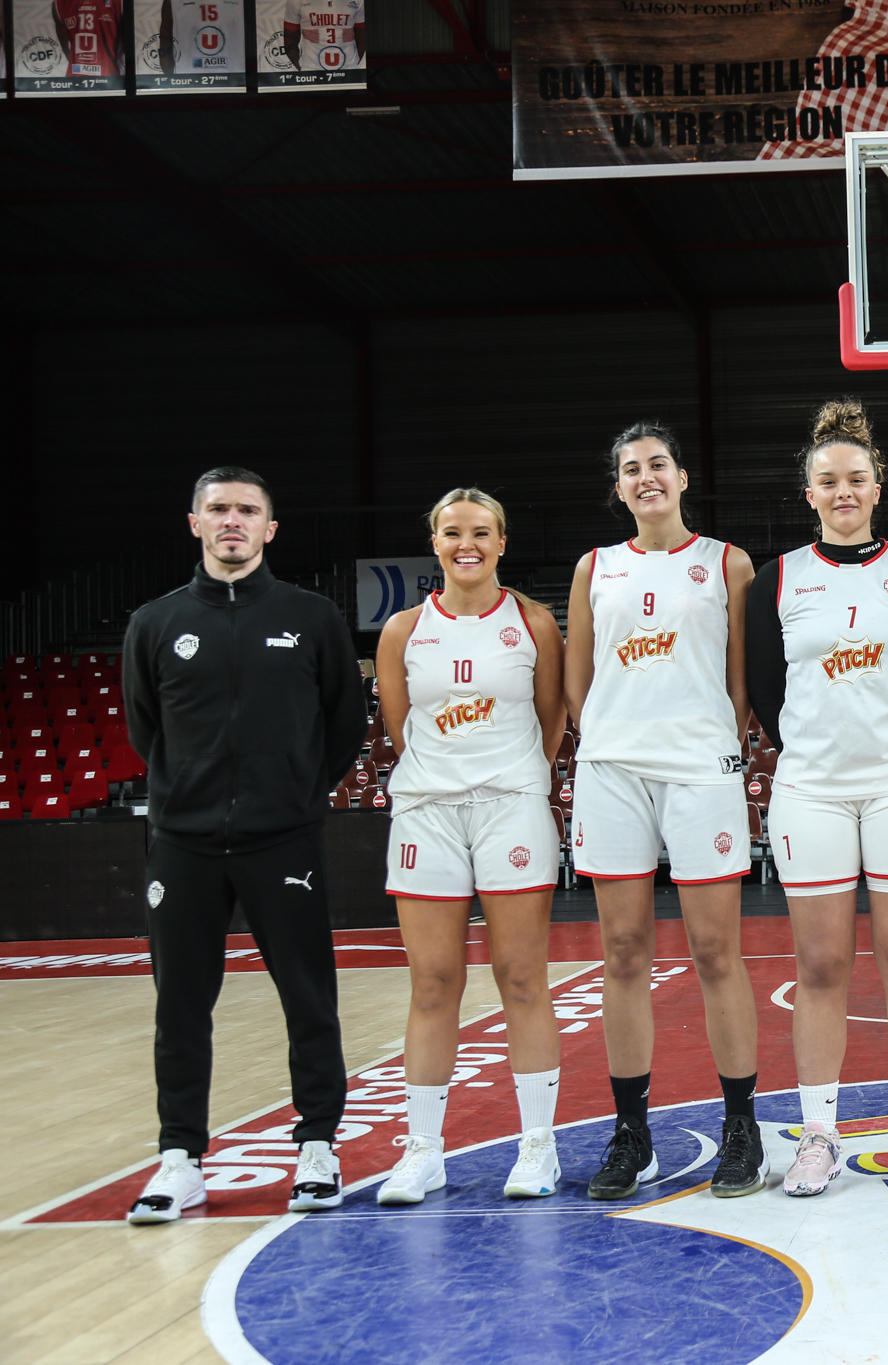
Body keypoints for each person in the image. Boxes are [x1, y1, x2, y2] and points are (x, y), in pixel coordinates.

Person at [123, 467, 363, 1224]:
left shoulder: (312, 616)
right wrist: (190, 797)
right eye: (219, 509)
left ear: (270, 528)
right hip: (183, 844)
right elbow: (144, 729)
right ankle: (180, 1158)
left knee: (308, 997)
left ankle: (318, 1147)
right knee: (180, 1004)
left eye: (247, 510)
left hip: (282, 840)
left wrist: (294, 796)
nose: (233, 520)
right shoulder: (154, 623)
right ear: (195, 523)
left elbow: (344, 724)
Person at [746, 400, 888, 1196]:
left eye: (856, 479)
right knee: (821, 963)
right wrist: (823, 746)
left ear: (877, 486)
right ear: (809, 493)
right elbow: (766, 690)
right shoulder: (776, 581)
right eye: (828, 481)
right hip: (812, 789)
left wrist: (882, 739)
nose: (843, 491)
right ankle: (820, 1134)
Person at [566, 422, 765, 1200]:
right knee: (622, 951)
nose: (645, 476)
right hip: (614, 769)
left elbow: (742, 677)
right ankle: (632, 1133)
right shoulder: (595, 567)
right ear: (618, 487)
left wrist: (716, 742)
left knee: (716, 950)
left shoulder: (727, 561)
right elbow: (578, 679)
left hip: (699, 768)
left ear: (682, 477)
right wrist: (607, 739)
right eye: (630, 468)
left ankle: (741, 1127)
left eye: (658, 464)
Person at [373, 490, 567, 1205]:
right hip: (428, 813)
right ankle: (424, 1149)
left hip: (510, 808)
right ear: (434, 542)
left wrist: (509, 780)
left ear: (502, 541)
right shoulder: (402, 630)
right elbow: (402, 730)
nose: (467, 544)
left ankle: (538, 1144)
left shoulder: (534, 623)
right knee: (432, 982)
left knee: (522, 977)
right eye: (453, 532)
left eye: (481, 532)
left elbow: (551, 720)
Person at [283, 0, 363, 72]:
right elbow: (290, 40)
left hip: (349, 68)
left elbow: (362, 38)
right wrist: (302, 69)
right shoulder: (296, 1)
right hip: (311, 69)